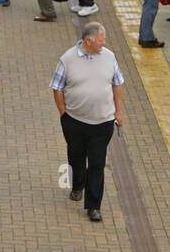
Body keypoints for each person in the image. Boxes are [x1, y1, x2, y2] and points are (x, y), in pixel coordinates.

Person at [50, 22, 124, 222]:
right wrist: (64, 114)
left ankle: (93, 206)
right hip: (74, 121)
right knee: (76, 156)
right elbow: (57, 87)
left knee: (97, 163)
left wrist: (118, 111)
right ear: (89, 41)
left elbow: (118, 83)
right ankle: (77, 185)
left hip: (103, 122)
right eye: (101, 40)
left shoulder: (109, 57)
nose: (104, 43)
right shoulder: (67, 59)